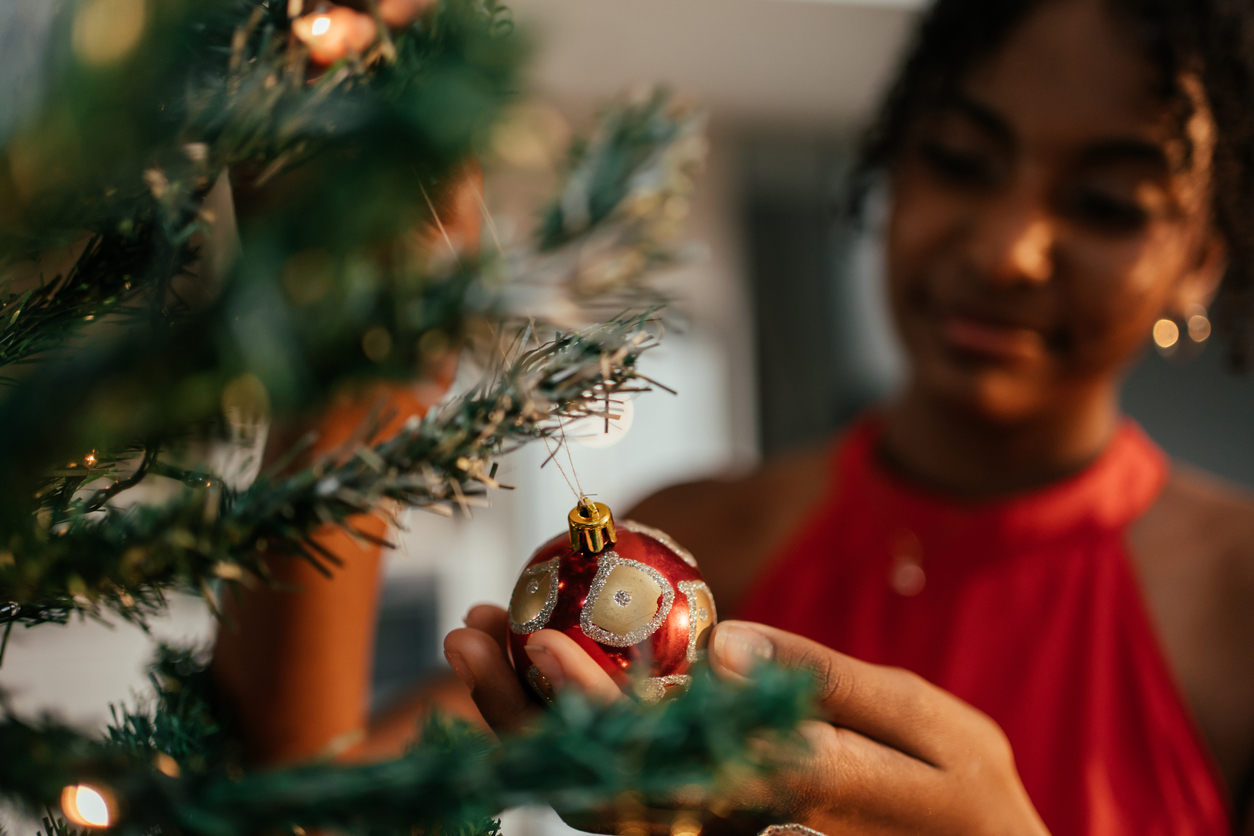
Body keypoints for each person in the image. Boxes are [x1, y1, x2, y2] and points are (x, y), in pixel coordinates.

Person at [443, 0, 1254, 832]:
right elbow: (326, 791)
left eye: (1108, 202)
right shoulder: (685, 555)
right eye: (961, 159)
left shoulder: (1239, 605)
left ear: (1200, 262)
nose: (1006, 249)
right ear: (894, 167)